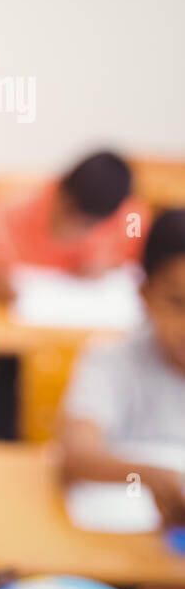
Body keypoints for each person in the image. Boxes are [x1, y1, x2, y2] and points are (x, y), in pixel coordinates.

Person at [59, 209, 185, 526]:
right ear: (145, 294)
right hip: (119, 542)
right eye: (178, 303)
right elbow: (76, 455)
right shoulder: (111, 359)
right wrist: (151, 477)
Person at [0, 150, 145, 301]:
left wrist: (110, 266)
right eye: (69, 214)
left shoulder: (127, 218)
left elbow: (145, 268)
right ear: (60, 190)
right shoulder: (17, 208)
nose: (75, 228)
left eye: (88, 224)